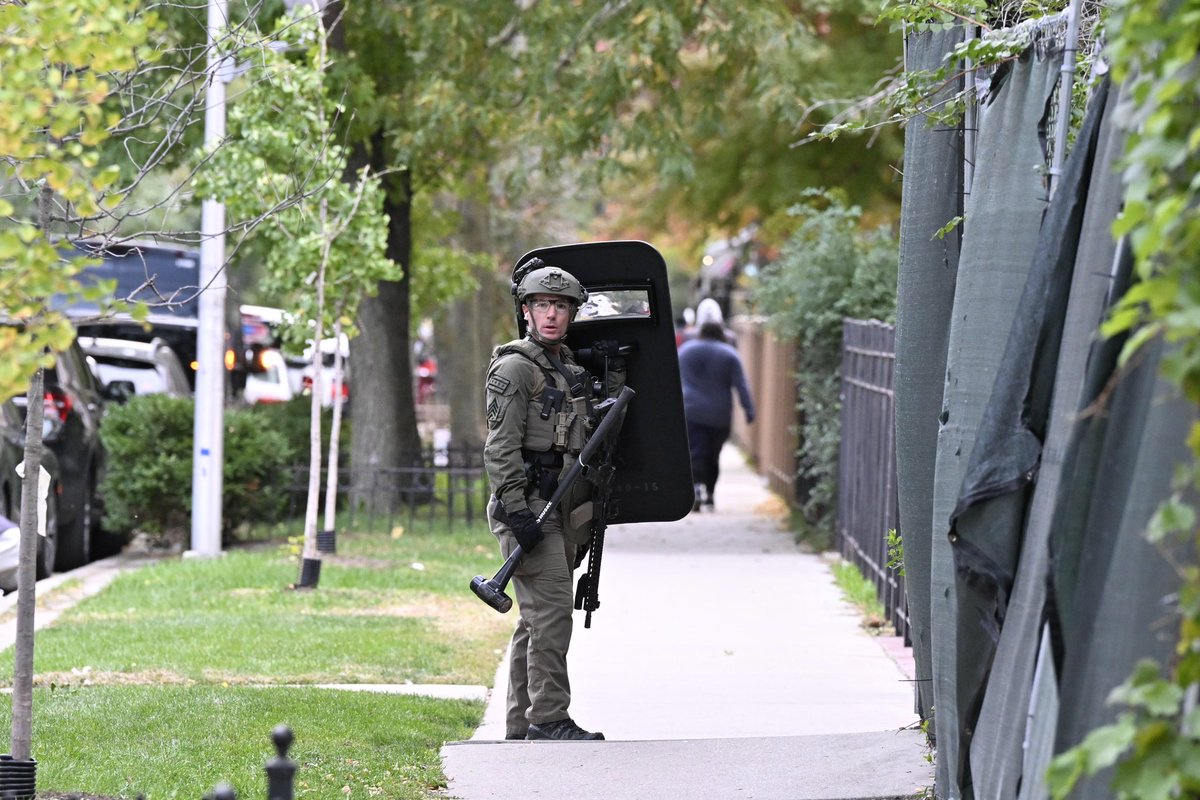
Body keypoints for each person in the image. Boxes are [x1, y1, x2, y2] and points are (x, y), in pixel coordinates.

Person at [482, 259, 605, 742]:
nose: (551, 314)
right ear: (526, 311)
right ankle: (549, 717)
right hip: (529, 508)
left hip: (561, 507)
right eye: (541, 304)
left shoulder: (568, 369)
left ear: (571, 313)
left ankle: (521, 722)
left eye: (560, 306)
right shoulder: (515, 368)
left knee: (535, 619)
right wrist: (517, 512)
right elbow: (499, 447)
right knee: (551, 614)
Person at [678, 317, 755, 511]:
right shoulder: (729, 354)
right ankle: (711, 495)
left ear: (701, 332)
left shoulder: (685, 351)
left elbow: (671, 380)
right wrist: (749, 410)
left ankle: (696, 487)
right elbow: (741, 385)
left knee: (695, 451)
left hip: (691, 410)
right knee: (713, 455)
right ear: (721, 334)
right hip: (719, 413)